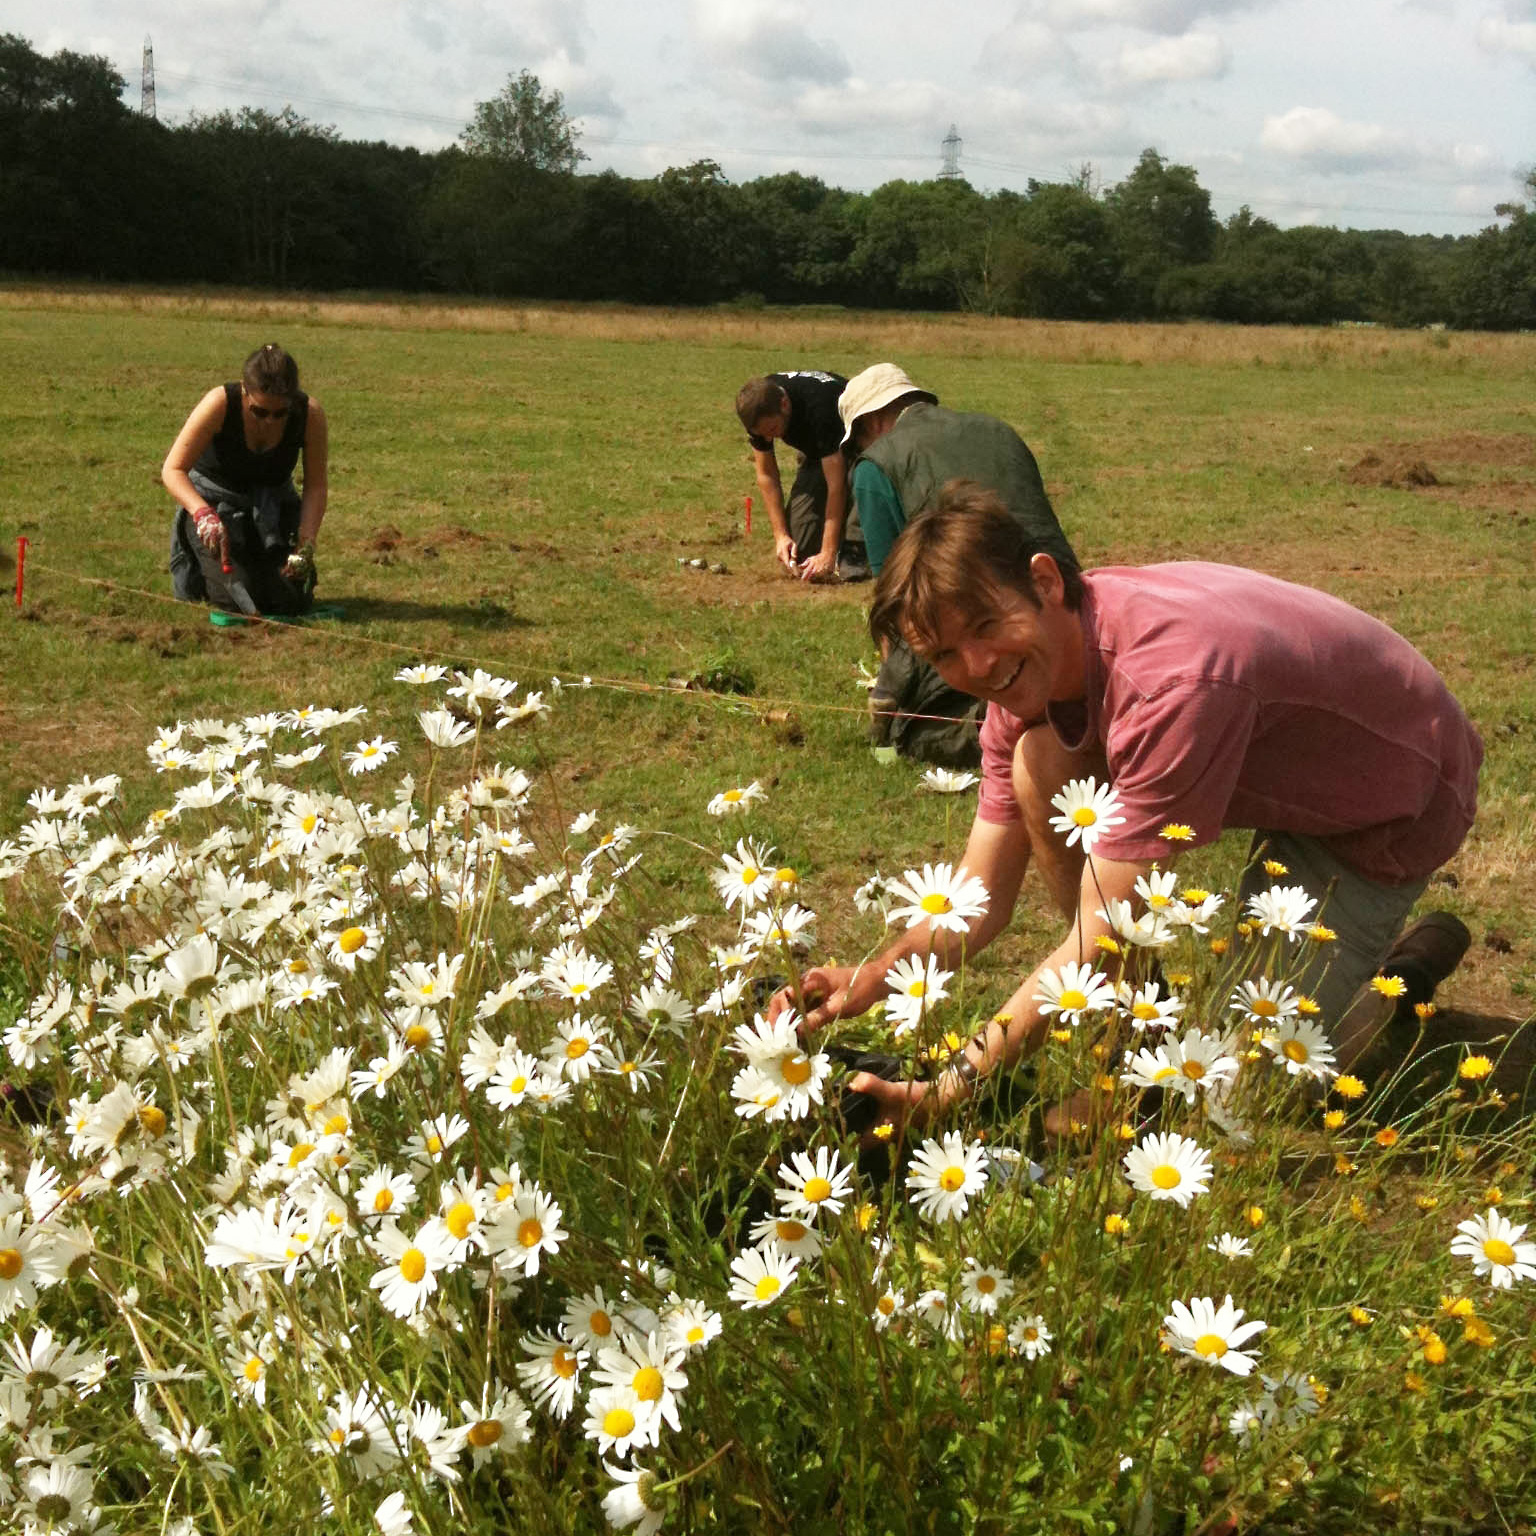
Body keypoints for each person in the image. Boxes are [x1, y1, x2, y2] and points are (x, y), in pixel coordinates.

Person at [775, 486, 1481, 1136]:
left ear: (1045, 581)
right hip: (1299, 757)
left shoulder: (1170, 680)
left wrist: (952, 1087)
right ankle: (1132, 1042)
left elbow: (1106, 928)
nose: (979, 666)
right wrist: (877, 972)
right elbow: (979, 897)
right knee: (1040, 759)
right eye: (946, 654)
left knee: (1237, 1097)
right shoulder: (1036, 671)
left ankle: (1400, 979)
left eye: (987, 625)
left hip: (1390, 803)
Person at [838, 363, 1077, 767]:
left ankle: (1013, 729)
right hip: (1065, 610)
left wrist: (891, 699)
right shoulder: (997, 428)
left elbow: (896, 598)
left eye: (858, 440)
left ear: (873, 421)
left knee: (919, 732)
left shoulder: (874, 466)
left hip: (981, 622)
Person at [164, 343, 328, 615]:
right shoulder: (219, 402)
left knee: (288, 601)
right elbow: (173, 470)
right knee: (237, 601)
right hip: (216, 508)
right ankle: (204, 569)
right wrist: (203, 514)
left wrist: (306, 541)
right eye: (259, 411)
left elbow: (316, 486)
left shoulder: (310, 413)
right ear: (244, 391)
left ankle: (263, 567)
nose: (270, 422)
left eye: (280, 413)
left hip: (271, 510)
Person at [736, 372, 866, 582]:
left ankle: (855, 544)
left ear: (785, 404)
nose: (768, 438)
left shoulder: (819, 409)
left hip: (857, 447)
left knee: (856, 480)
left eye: (773, 429)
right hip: (818, 453)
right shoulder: (757, 407)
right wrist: (781, 536)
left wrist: (827, 553)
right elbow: (766, 474)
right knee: (801, 548)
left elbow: (836, 485)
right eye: (762, 434)